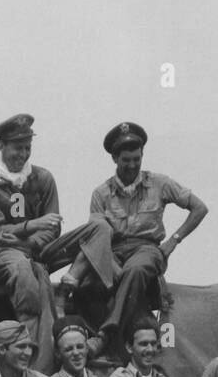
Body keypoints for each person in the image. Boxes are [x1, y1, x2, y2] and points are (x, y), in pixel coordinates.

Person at [60, 122, 208, 360]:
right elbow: (97, 238)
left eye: (136, 159)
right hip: (113, 252)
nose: (131, 165)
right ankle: (103, 346)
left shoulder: (160, 183)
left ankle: (106, 335)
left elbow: (199, 208)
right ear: (114, 159)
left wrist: (174, 241)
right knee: (89, 287)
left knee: (136, 270)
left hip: (146, 249)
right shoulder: (101, 193)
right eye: (125, 160)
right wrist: (115, 272)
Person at [0, 114, 61, 375]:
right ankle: (29, 353)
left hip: (37, 249)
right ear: (1, 146)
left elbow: (54, 226)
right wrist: (33, 225)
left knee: (95, 228)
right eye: (16, 147)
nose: (22, 154)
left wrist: (31, 241)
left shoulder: (43, 178)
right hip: (3, 254)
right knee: (26, 273)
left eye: (27, 148)